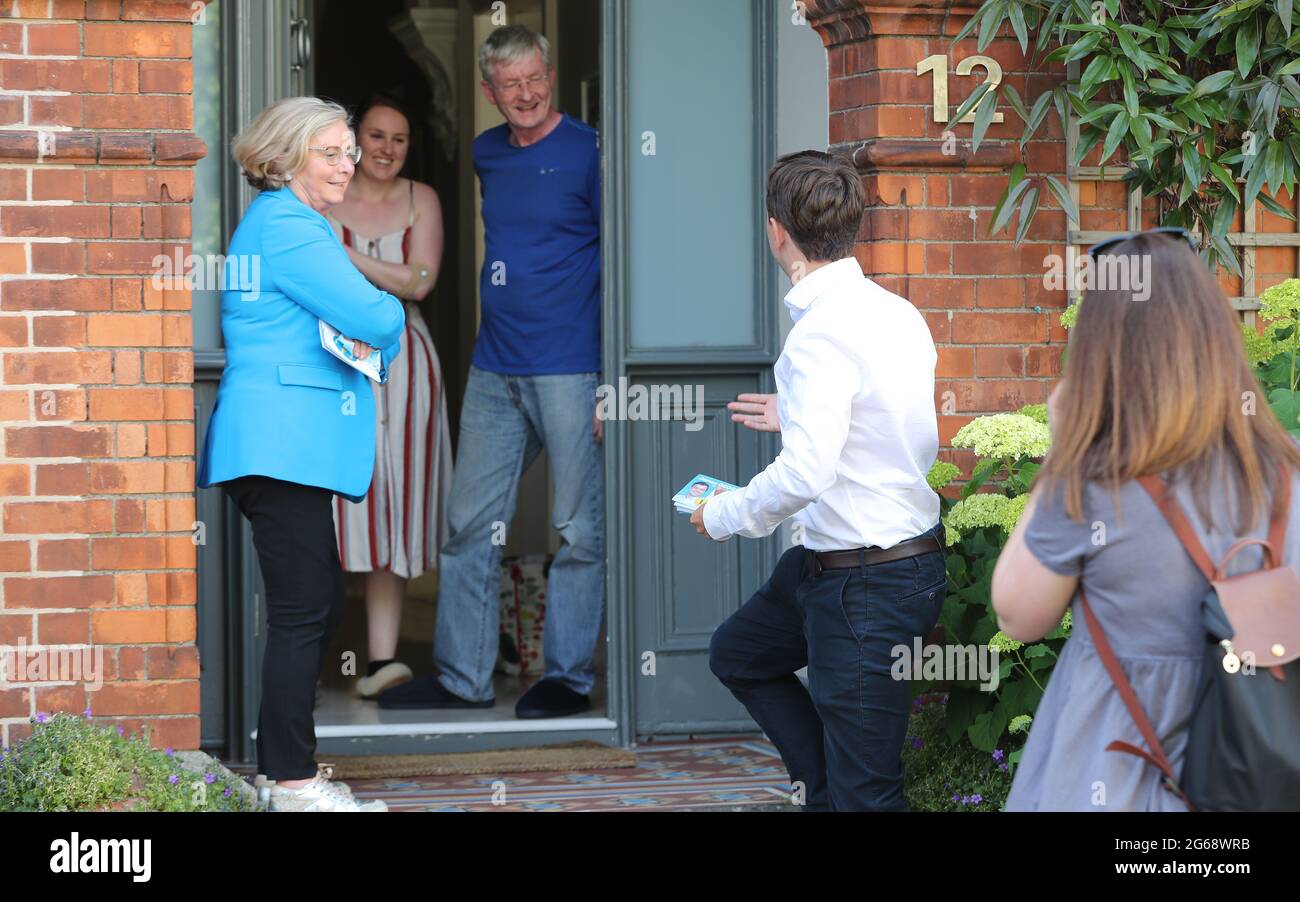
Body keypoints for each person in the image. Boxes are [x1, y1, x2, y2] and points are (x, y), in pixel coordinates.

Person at [991, 229, 1300, 811]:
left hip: (1114, 772)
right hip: (1258, 778)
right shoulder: (1287, 467)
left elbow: (1017, 616)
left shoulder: (1095, 479)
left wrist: (1064, 454)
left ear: (1101, 349)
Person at [697, 150, 946, 811]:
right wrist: (800, 412)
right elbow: (889, 417)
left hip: (866, 581)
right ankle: (823, 794)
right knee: (741, 653)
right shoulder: (898, 313)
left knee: (871, 793)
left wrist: (725, 513)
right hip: (845, 566)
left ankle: (839, 797)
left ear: (775, 229)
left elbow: (808, 472)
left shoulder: (816, 339)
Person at [380, 25, 604, 719]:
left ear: (551, 74)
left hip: (571, 366)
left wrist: (613, 377)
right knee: (469, 525)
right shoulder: (485, 153)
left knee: (578, 530)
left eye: (536, 79)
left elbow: (626, 256)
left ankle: (567, 679)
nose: (527, 93)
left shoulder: (590, 151)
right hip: (494, 365)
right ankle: (462, 678)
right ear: (490, 92)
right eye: (512, 85)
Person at [197, 96, 406, 812]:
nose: (348, 163)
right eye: (332, 152)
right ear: (288, 160)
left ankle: (287, 770)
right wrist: (390, 312)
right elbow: (379, 314)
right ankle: (289, 781)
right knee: (301, 609)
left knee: (310, 601)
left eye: (349, 151)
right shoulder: (290, 228)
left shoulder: (291, 225)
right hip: (278, 444)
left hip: (284, 446)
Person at [325, 94, 454, 701]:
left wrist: (347, 256)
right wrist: (391, 275)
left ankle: (380, 660)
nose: (386, 149)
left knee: (392, 502)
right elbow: (396, 278)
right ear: (354, 140)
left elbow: (422, 284)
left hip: (405, 364)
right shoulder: (325, 191)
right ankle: (320, 658)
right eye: (375, 136)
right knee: (332, 498)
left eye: (398, 139)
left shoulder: (421, 199)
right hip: (328, 359)